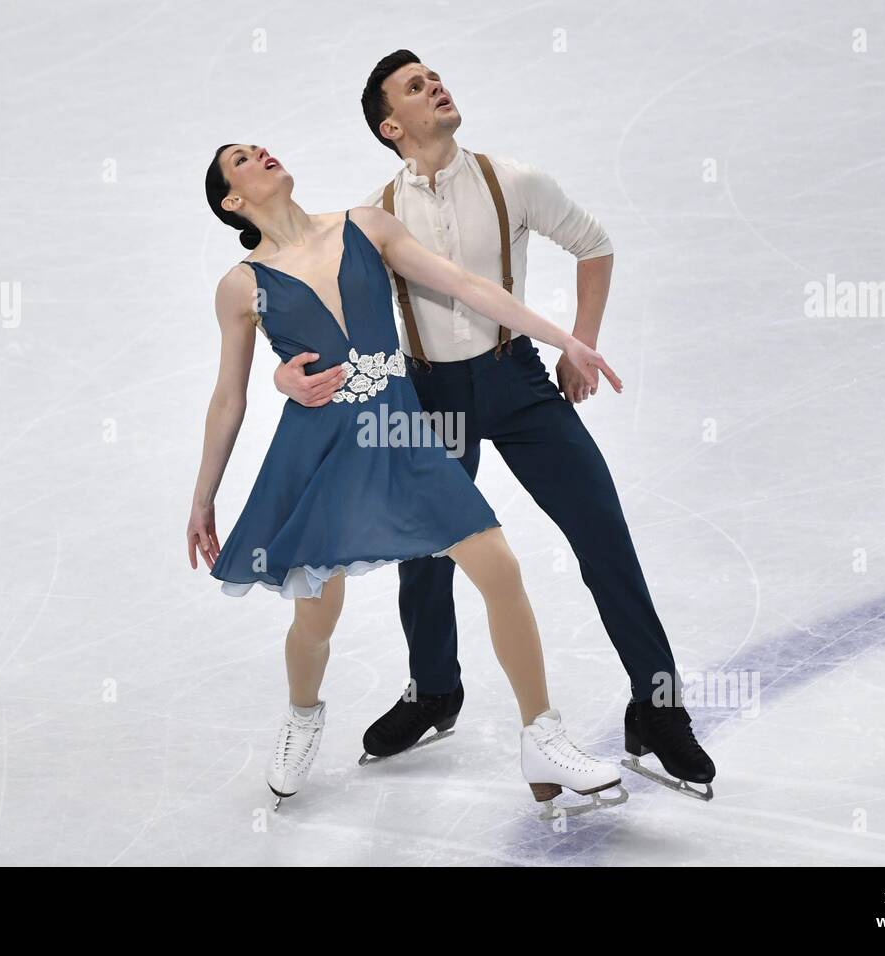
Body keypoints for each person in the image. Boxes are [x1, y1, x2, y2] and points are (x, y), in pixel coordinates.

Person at [270, 51, 716, 799]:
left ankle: (658, 707)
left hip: (517, 383)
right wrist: (286, 374)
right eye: (415, 87)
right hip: (429, 394)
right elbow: (331, 309)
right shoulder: (376, 216)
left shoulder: (513, 181)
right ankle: (434, 690)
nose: (435, 87)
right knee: (426, 555)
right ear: (391, 125)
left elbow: (594, 244)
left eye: (434, 77)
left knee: (602, 532)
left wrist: (580, 343)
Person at [189, 142, 629, 816]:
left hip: (399, 432)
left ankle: (543, 734)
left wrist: (562, 337)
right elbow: (229, 397)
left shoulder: (364, 225)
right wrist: (203, 498)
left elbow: (467, 286)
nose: (263, 155)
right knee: (318, 614)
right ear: (232, 201)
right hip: (321, 450)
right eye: (243, 160)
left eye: (261, 148)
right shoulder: (241, 286)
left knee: (499, 568)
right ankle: (303, 715)